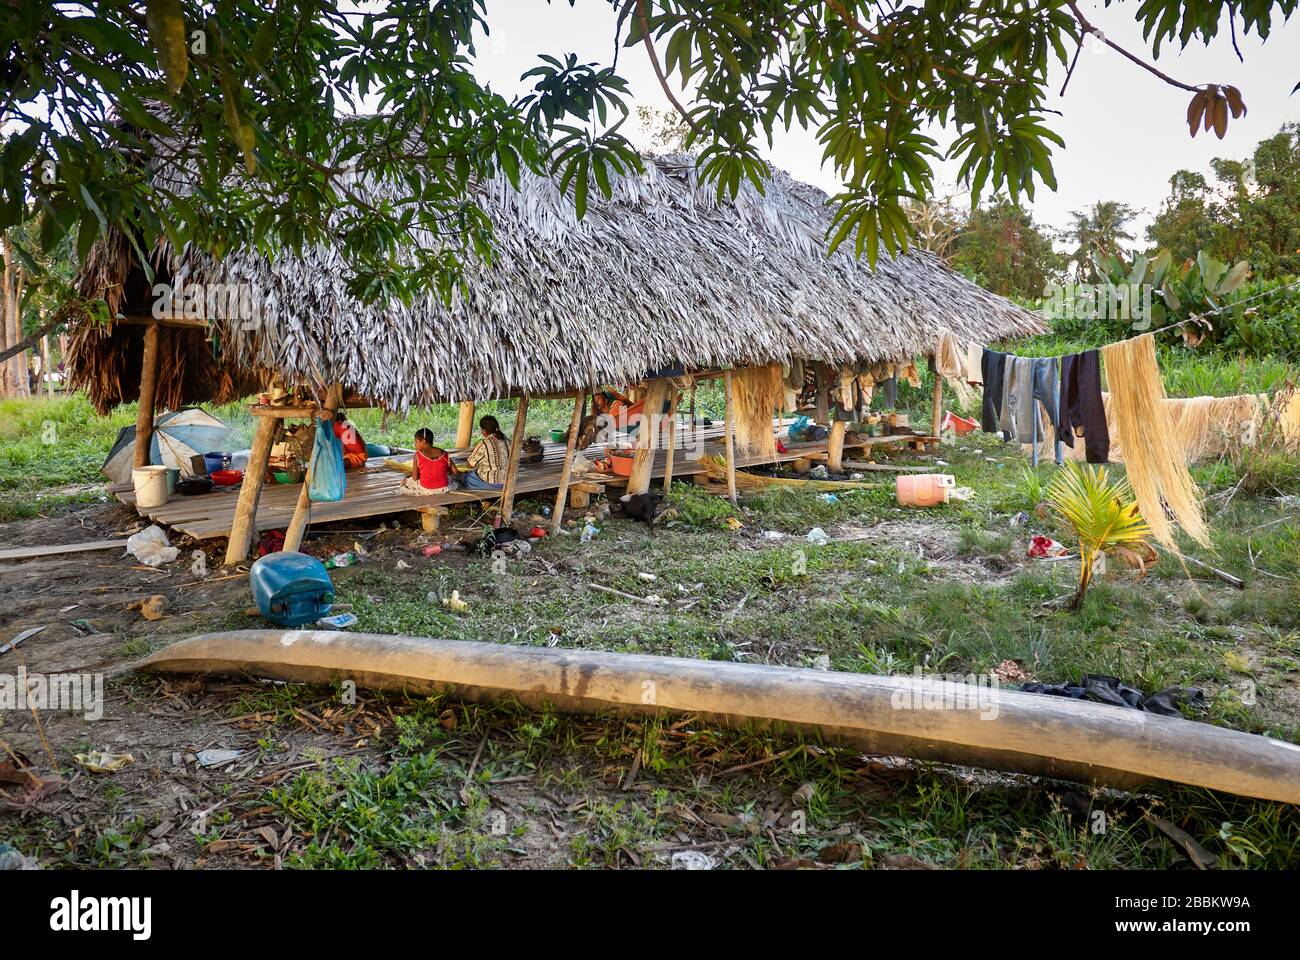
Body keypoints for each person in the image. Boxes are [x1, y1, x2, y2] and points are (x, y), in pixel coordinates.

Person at [459, 415, 510, 491]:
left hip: (489, 483)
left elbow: (470, 465)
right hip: (507, 481)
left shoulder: (484, 443)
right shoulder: (508, 441)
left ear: (483, 430)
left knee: (467, 477)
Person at [400, 428, 454, 495]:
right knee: (449, 478)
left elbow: (415, 477)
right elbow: (455, 471)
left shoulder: (417, 455)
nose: (415, 444)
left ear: (423, 441)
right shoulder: (445, 453)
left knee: (407, 481)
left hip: (426, 488)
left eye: (416, 442)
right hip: (444, 488)